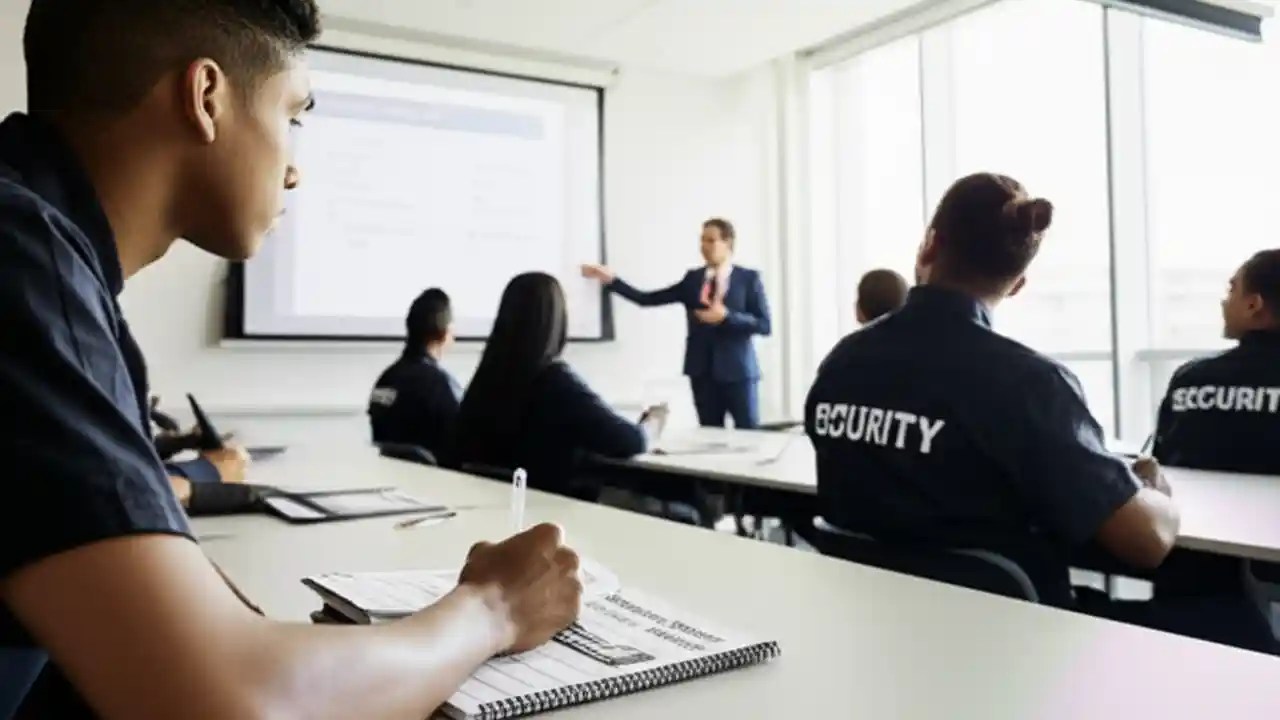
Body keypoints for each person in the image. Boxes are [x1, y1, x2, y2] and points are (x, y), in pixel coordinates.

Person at [0, 2, 581, 718]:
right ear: (206, 97)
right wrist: (494, 607)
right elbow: (232, 702)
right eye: (294, 115)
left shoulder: (47, 255)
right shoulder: (21, 261)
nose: (297, 170)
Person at [804, 173, 1274, 653]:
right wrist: (1154, 488)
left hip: (879, 635)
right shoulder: (1024, 382)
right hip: (1011, 646)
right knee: (1237, 626)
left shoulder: (842, 362)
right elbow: (1148, 541)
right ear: (1018, 283)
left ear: (930, 245)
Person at [453, 272, 668, 501]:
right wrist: (651, 425)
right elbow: (630, 442)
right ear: (557, 322)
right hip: (551, 513)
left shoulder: (486, 378)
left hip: (492, 510)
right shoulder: (555, 381)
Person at [582, 218, 771, 429]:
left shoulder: (748, 279)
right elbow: (647, 299)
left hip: (738, 373)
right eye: (702, 240)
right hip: (701, 372)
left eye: (711, 240)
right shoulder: (693, 279)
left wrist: (727, 317)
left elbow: (764, 325)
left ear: (728, 243)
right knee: (711, 436)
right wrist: (612, 281)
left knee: (749, 433)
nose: (704, 246)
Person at [1152, 249, 1280, 476]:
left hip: (1194, 501)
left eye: (1232, 290)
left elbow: (1160, 469)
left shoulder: (1190, 379)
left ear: (1253, 305)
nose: (1224, 302)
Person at [368, 288, 463, 463]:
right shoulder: (440, 385)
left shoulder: (385, 379)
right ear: (443, 332)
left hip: (390, 477)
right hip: (437, 479)